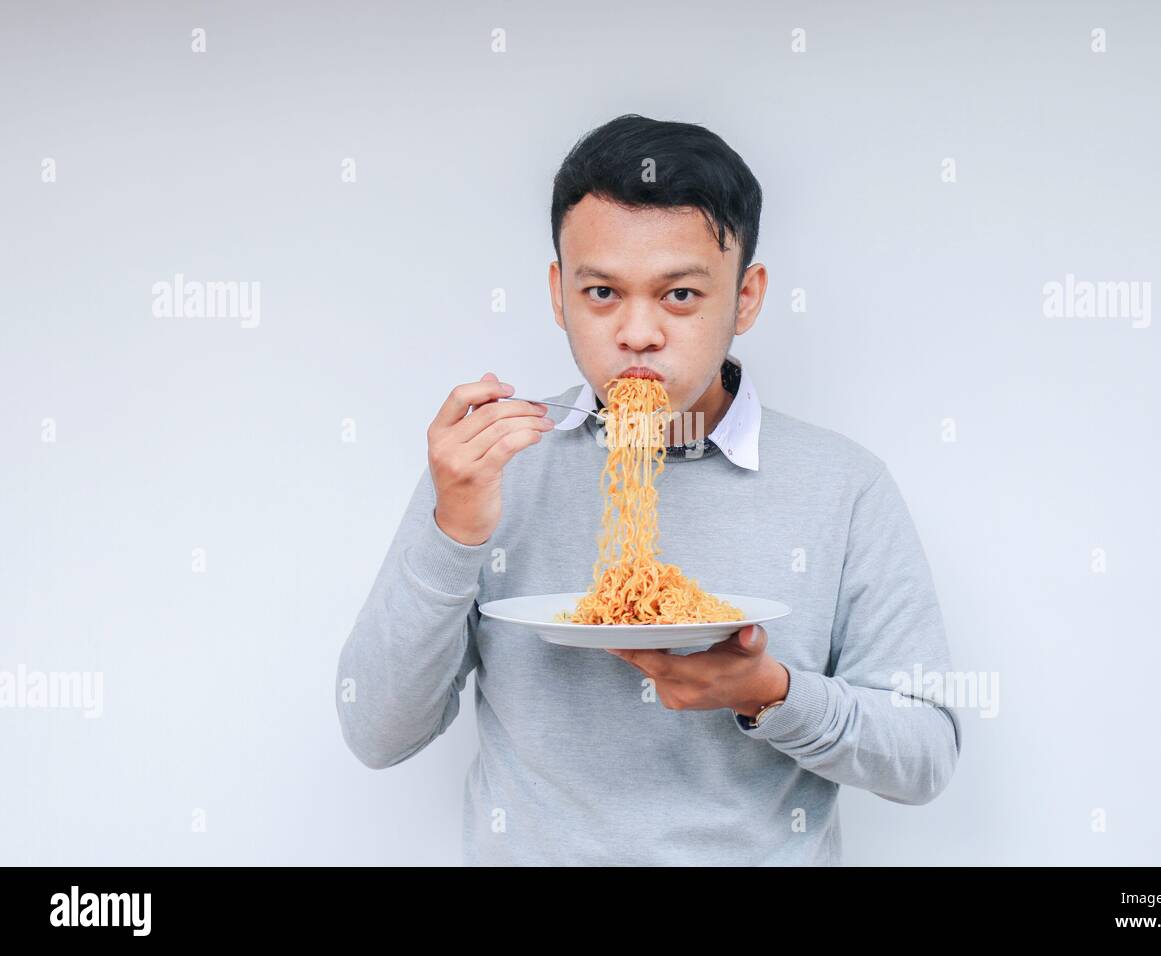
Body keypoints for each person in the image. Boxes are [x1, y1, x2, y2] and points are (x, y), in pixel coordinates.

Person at [335, 113, 961, 865]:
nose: (637, 333)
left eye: (680, 297)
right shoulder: (496, 466)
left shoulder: (843, 485)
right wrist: (454, 529)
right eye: (602, 292)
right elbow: (375, 732)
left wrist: (770, 693)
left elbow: (925, 755)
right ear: (559, 294)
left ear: (748, 297)